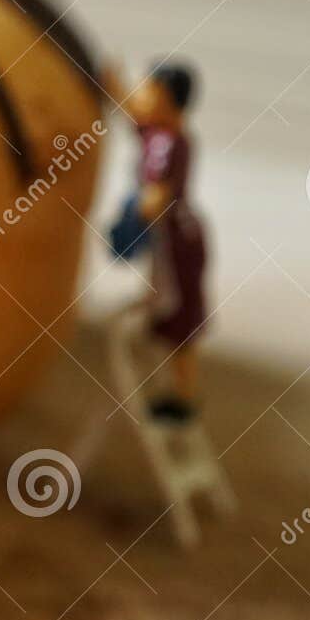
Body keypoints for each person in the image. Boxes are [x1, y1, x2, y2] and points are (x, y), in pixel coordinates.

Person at [121, 61, 208, 423]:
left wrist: (135, 212)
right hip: (166, 242)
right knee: (166, 319)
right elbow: (134, 116)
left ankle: (184, 400)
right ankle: (174, 393)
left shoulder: (173, 144)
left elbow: (158, 196)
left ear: (169, 100)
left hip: (179, 241)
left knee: (180, 326)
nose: (141, 99)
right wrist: (114, 87)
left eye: (150, 93)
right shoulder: (156, 133)